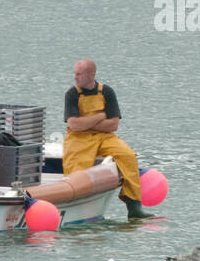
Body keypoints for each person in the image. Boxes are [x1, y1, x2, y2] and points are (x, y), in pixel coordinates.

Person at [63, 59, 150, 219]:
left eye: (79, 74)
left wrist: (87, 123)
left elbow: (113, 125)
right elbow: (74, 125)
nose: (75, 77)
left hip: (105, 137)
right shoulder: (72, 94)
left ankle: (134, 206)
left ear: (91, 74)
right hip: (78, 138)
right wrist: (100, 116)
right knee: (76, 166)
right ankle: (73, 205)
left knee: (128, 156)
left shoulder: (107, 92)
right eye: (75, 73)